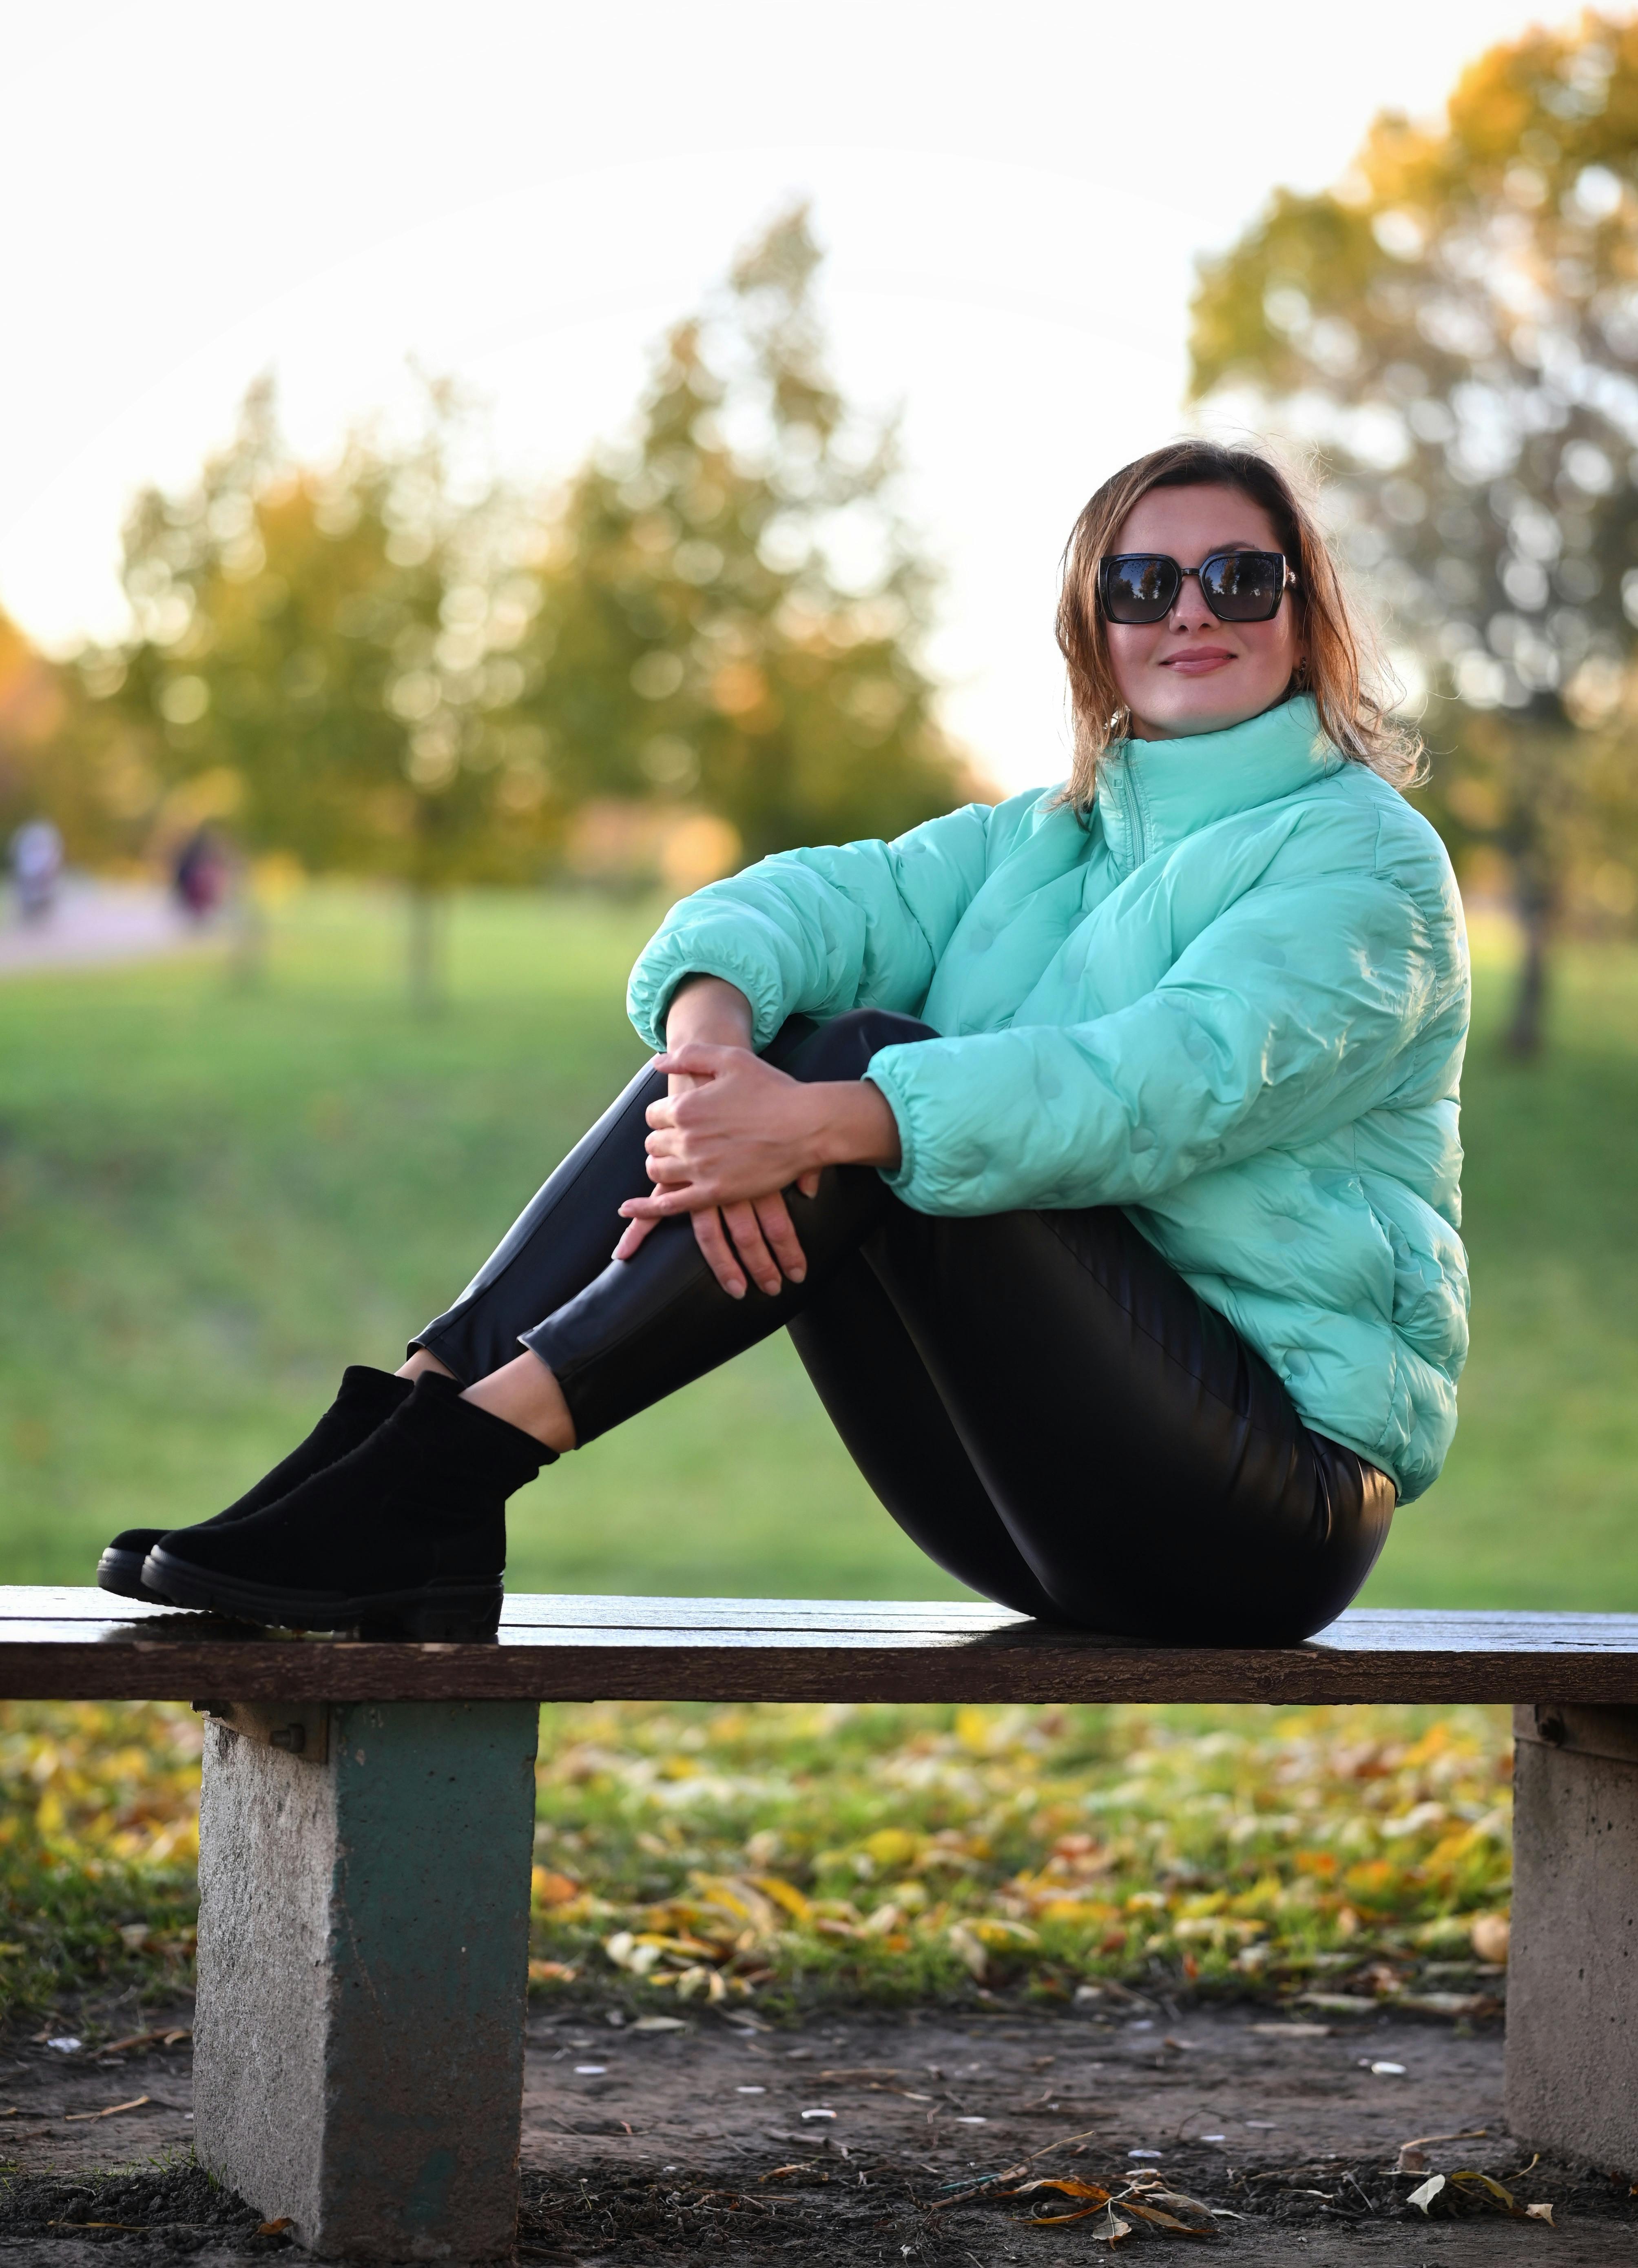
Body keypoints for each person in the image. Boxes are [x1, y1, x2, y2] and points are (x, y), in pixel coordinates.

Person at [102, 440, 1470, 1648]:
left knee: (866, 1078)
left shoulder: (1364, 868)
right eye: (1141, 585)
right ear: (1091, 629)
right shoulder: (1050, 835)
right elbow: (790, 905)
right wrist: (713, 1058)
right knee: (807, 1037)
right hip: (1028, 1504)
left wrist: (822, 1123)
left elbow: (1158, 1087)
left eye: (1239, 578)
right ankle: (412, 1429)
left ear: (1305, 617)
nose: (1188, 613)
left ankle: (445, 1481)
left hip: (1257, 1509)